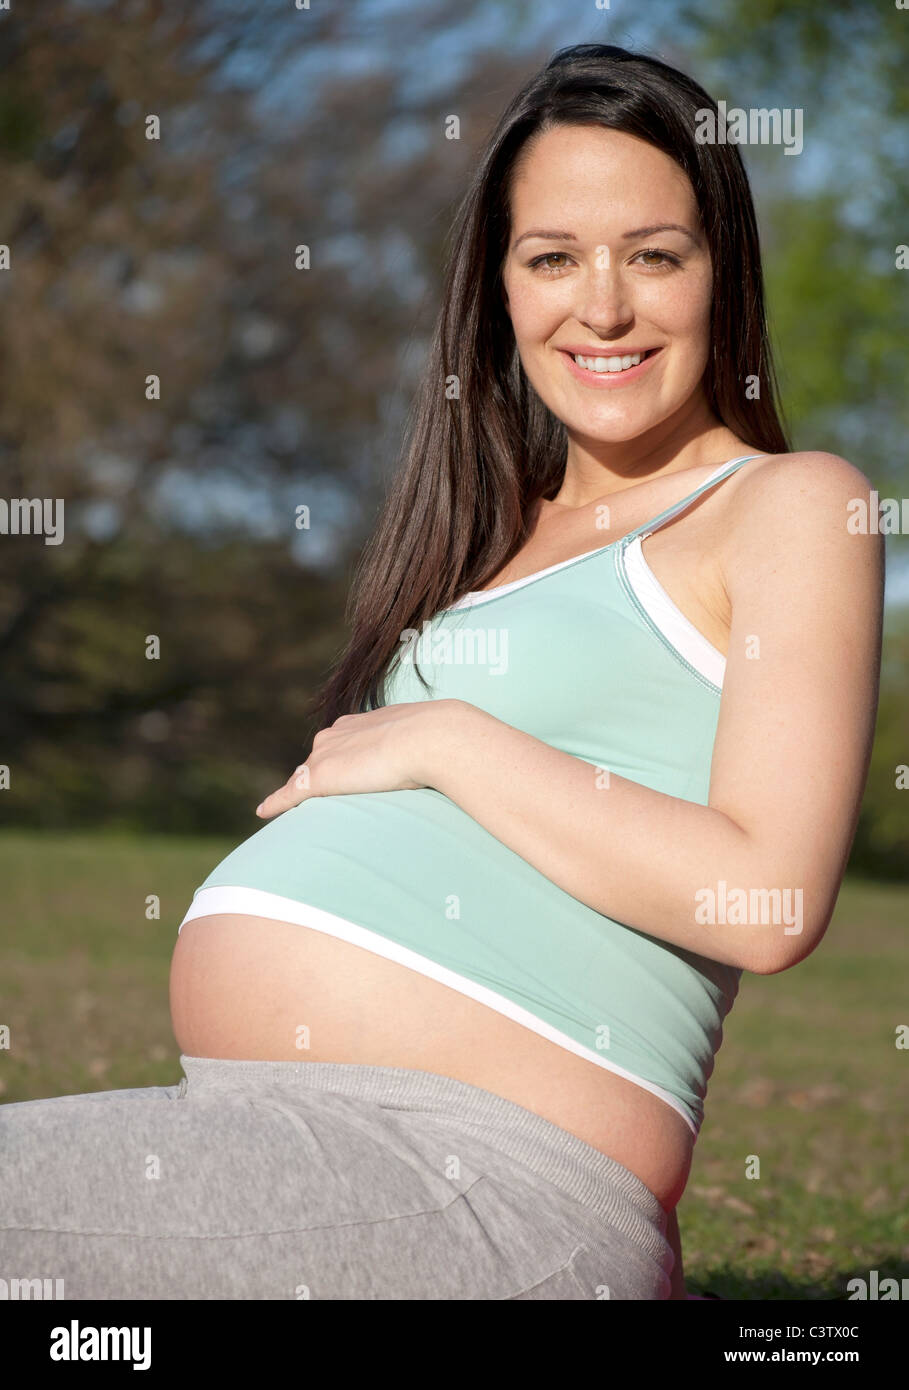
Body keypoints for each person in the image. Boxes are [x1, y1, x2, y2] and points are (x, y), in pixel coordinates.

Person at [1, 43, 883, 1300]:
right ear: (501, 290)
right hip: (292, 1144)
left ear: (720, 270)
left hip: (476, 1171)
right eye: (553, 257)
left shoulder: (788, 506)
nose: (605, 305)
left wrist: (445, 740)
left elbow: (770, 895)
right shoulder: (491, 536)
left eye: (654, 253)